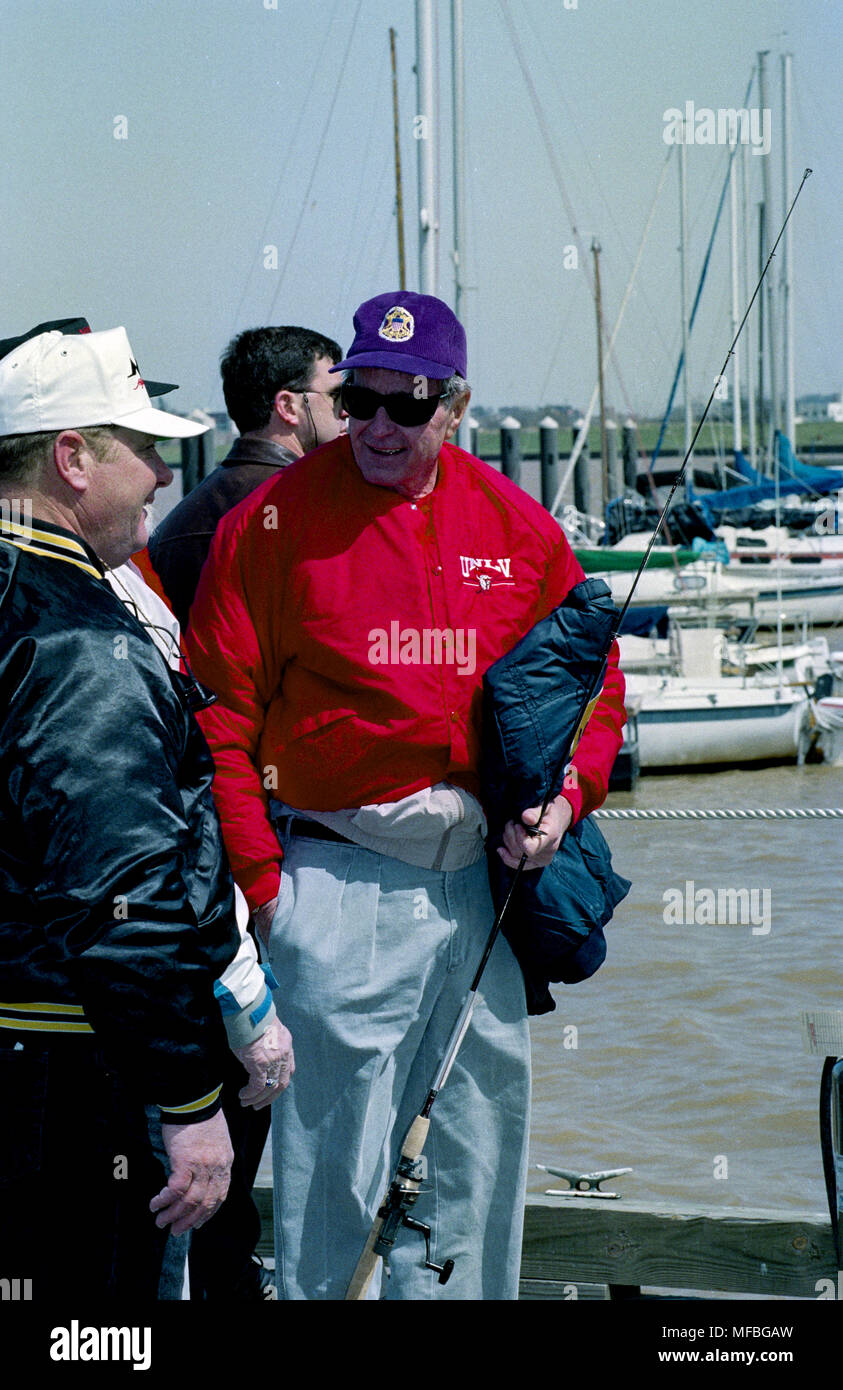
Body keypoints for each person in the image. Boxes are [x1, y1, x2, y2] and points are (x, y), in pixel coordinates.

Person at [186, 291, 626, 1300]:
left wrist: (565, 803)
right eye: (359, 400)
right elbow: (220, 718)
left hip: (481, 893)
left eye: (408, 404)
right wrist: (265, 893)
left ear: (457, 405)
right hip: (333, 881)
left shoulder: (518, 527)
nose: (378, 425)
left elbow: (596, 684)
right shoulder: (269, 524)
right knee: (332, 1181)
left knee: (473, 1164)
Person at [0, 321, 287, 1299]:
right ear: (72, 458)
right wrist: (189, 1095)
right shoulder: (89, 644)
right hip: (65, 1072)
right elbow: (122, 895)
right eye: (147, 446)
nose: (166, 474)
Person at [144, 322, 343, 1300]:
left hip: (192, 869)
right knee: (266, 1106)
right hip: (262, 859)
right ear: (290, 405)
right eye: (340, 396)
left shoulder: (180, 526)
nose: (355, 421)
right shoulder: (288, 519)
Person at [147, 325, 346, 630]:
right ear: (288, 406)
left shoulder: (181, 519)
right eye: (336, 395)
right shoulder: (310, 505)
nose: (346, 410)